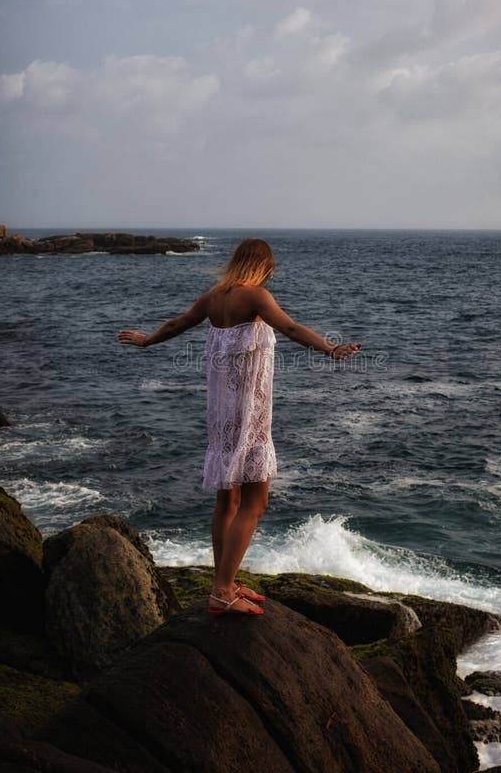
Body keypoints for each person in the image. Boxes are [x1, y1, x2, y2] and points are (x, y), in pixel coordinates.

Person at [118, 238, 361, 616]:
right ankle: (222, 592)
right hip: (249, 414)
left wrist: (147, 341)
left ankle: (225, 582)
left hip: (221, 414)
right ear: (262, 266)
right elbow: (292, 328)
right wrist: (330, 349)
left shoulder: (214, 298)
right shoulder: (256, 297)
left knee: (226, 500)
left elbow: (178, 323)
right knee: (255, 502)